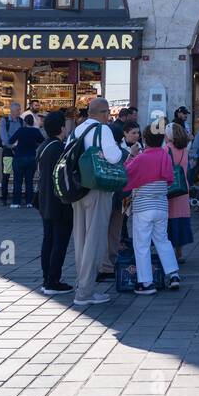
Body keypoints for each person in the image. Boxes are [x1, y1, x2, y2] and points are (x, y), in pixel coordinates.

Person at [68, 98, 121, 306]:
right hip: (97, 188)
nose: (109, 116)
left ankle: (81, 284)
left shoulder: (77, 130)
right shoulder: (103, 130)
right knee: (95, 240)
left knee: (80, 239)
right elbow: (114, 157)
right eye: (108, 112)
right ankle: (86, 292)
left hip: (78, 189)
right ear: (103, 112)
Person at [124, 125, 183, 294]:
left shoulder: (141, 158)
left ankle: (146, 283)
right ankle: (173, 274)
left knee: (141, 244)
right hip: (161, 205)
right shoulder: (164, 155)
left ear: (145, 139)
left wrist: (131, 155)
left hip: (143, 205)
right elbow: (170, 179)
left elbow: (126, 173)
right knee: (163, 240)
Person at [34, 111, 74, 295]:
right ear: (60, 128)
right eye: (64, 126)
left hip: (45, 201)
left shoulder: (43, 146)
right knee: (59, 242)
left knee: (48, 240)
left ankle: (47, 278)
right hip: (59, 202)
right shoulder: (58, 148)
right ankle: (53, 280)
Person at [99, 119, 141, 281]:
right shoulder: (123, 153)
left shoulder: (106, 152)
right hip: (124, 196)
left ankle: (106, 263)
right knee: (115, 230)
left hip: (109, 196)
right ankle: (110, 262)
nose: (136, 136)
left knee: (107, 230)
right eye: (134, 132)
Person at [165, 122, 193, 263]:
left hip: (170, 187)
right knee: (181, 218)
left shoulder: (166, 149)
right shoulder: (185, 149)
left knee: (170, 219)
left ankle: (169, 252)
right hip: (183, 186)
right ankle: (179, 252)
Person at [5, 113, 44, 209]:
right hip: (31, 158)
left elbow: (10, 141)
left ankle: (16, 202)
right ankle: (29, 202)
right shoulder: (36, 131)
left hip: (19, 157)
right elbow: (42, 141)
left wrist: (14, 147)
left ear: (25, 122)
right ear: (33, 122)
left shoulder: (20, 130)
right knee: (29, 181)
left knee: (17, 181)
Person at [0, 102, 23, 205]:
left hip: (18, 151)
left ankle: (16, 196)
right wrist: (11, 146)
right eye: (18, 110)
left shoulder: (21, 121)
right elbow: (3, 137)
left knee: (18, 174)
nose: (19, 112)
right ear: (12, 111)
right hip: (8, 150)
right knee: (6, 174)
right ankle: (4, 196)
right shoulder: (5, 121)